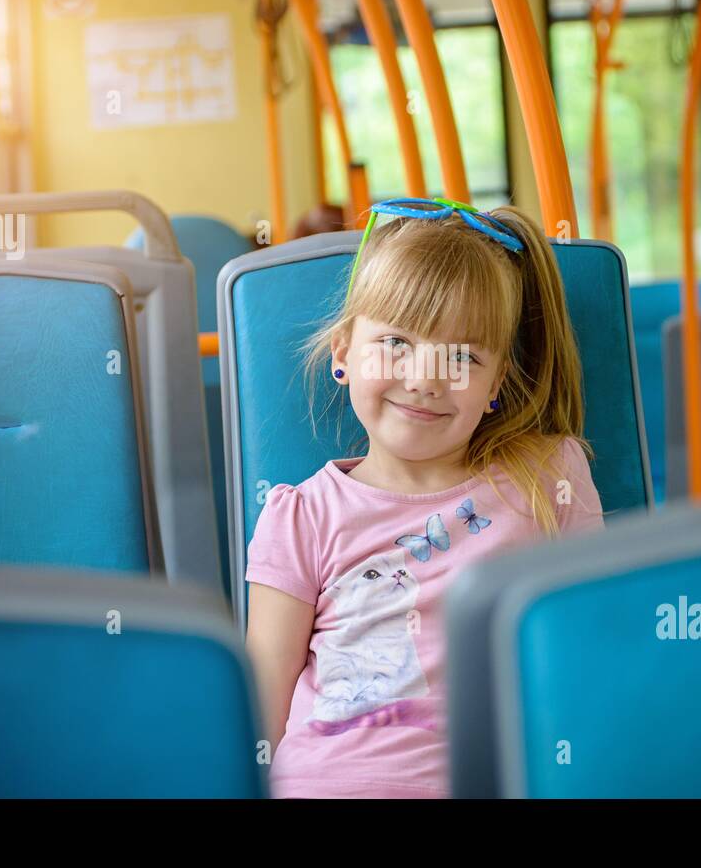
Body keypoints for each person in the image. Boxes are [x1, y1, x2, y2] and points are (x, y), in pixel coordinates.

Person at [244, 198, 605, 798]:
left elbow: (590, 649)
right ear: (343, 354)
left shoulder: (549, 479)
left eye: (463, 357)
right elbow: (259, 704)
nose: (425, 378)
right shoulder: (301, 516)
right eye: (396, 343)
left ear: (496, 384)